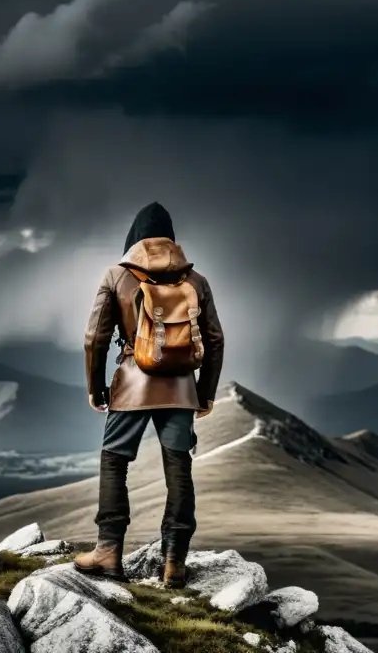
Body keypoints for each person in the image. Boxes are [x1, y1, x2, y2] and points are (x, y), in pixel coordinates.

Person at [74, 201, 224, 588]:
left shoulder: (116, 275)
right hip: (180, 389)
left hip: (131, 384)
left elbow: (95, 338)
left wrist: (96, 389)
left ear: (133, 239)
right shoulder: (196, 281)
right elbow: (215, 340)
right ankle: (174, 560)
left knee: (114, 462)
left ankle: (108, 551)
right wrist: (204, 395)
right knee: (179, 468)